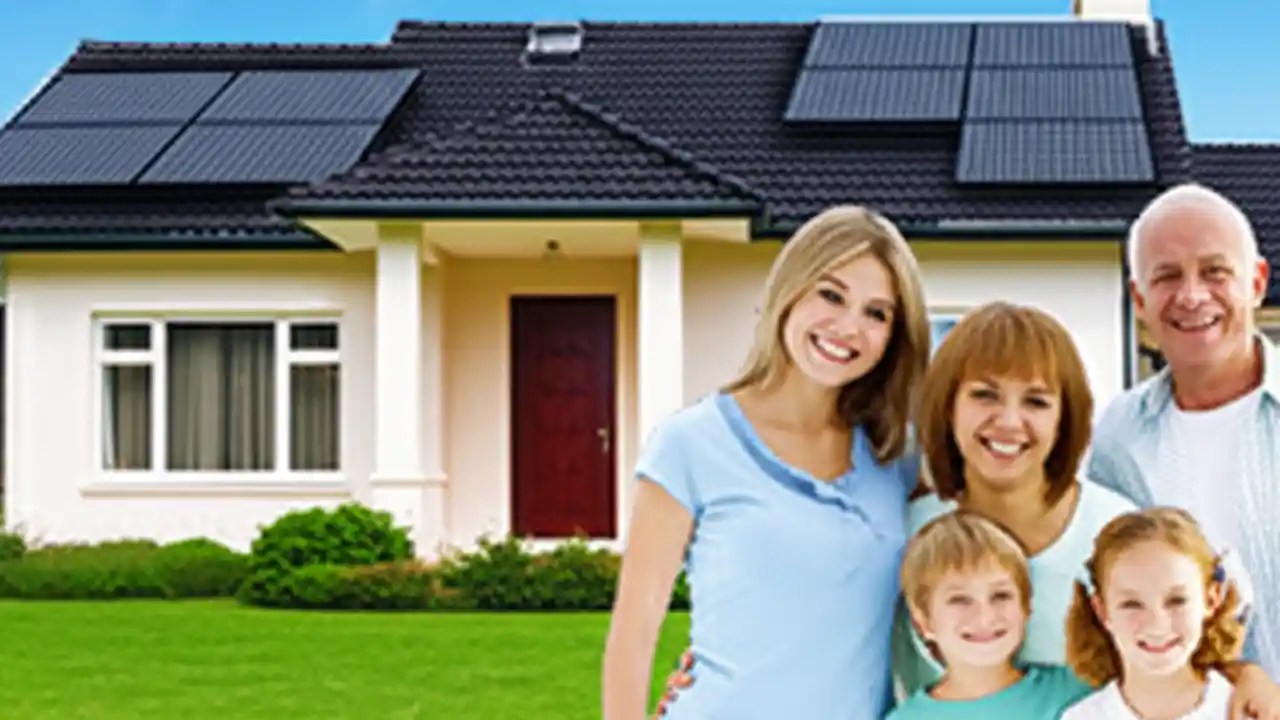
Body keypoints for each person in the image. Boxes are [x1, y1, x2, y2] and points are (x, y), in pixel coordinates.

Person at [600, 205, 932, 720]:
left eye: (876, 313)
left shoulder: (896, 457)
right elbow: (635, 631)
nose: (848, 327)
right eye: (831, 294)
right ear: (789, 291)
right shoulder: (691, 444)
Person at [891, 302, 1137, 693]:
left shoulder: (1120, 535)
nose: (1008, 421)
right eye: (985, 395)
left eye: (1036, 402)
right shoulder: (905, 533)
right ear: (948, 405)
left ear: (1064, 418)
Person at [1088, 183, 1280, 679]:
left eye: (1215, 272)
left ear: (1257, 281)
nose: (1192, 296)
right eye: (1168, 276)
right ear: (1139, 298)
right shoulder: (1117, 435)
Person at [887, 511, 1092, 719]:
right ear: (924, 622)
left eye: (1001, 596)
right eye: (959, 600)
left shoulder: (1076, 691)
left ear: (1025, 607)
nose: (984, 616)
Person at [1059, 507, 1247, 719]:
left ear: (1211, 600)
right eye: (1131, 604)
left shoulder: (1246, 711)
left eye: (1177, 601)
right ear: (1102, 611)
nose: (1157, 625)